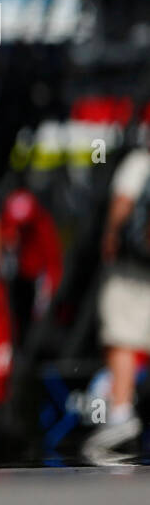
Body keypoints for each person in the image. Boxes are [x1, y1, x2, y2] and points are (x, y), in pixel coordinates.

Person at [82, 146, 150, 461]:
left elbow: (123, 202)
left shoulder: (139, 163)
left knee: (122, 337)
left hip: (133, 270)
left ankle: (121, 413)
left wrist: (111, 235)